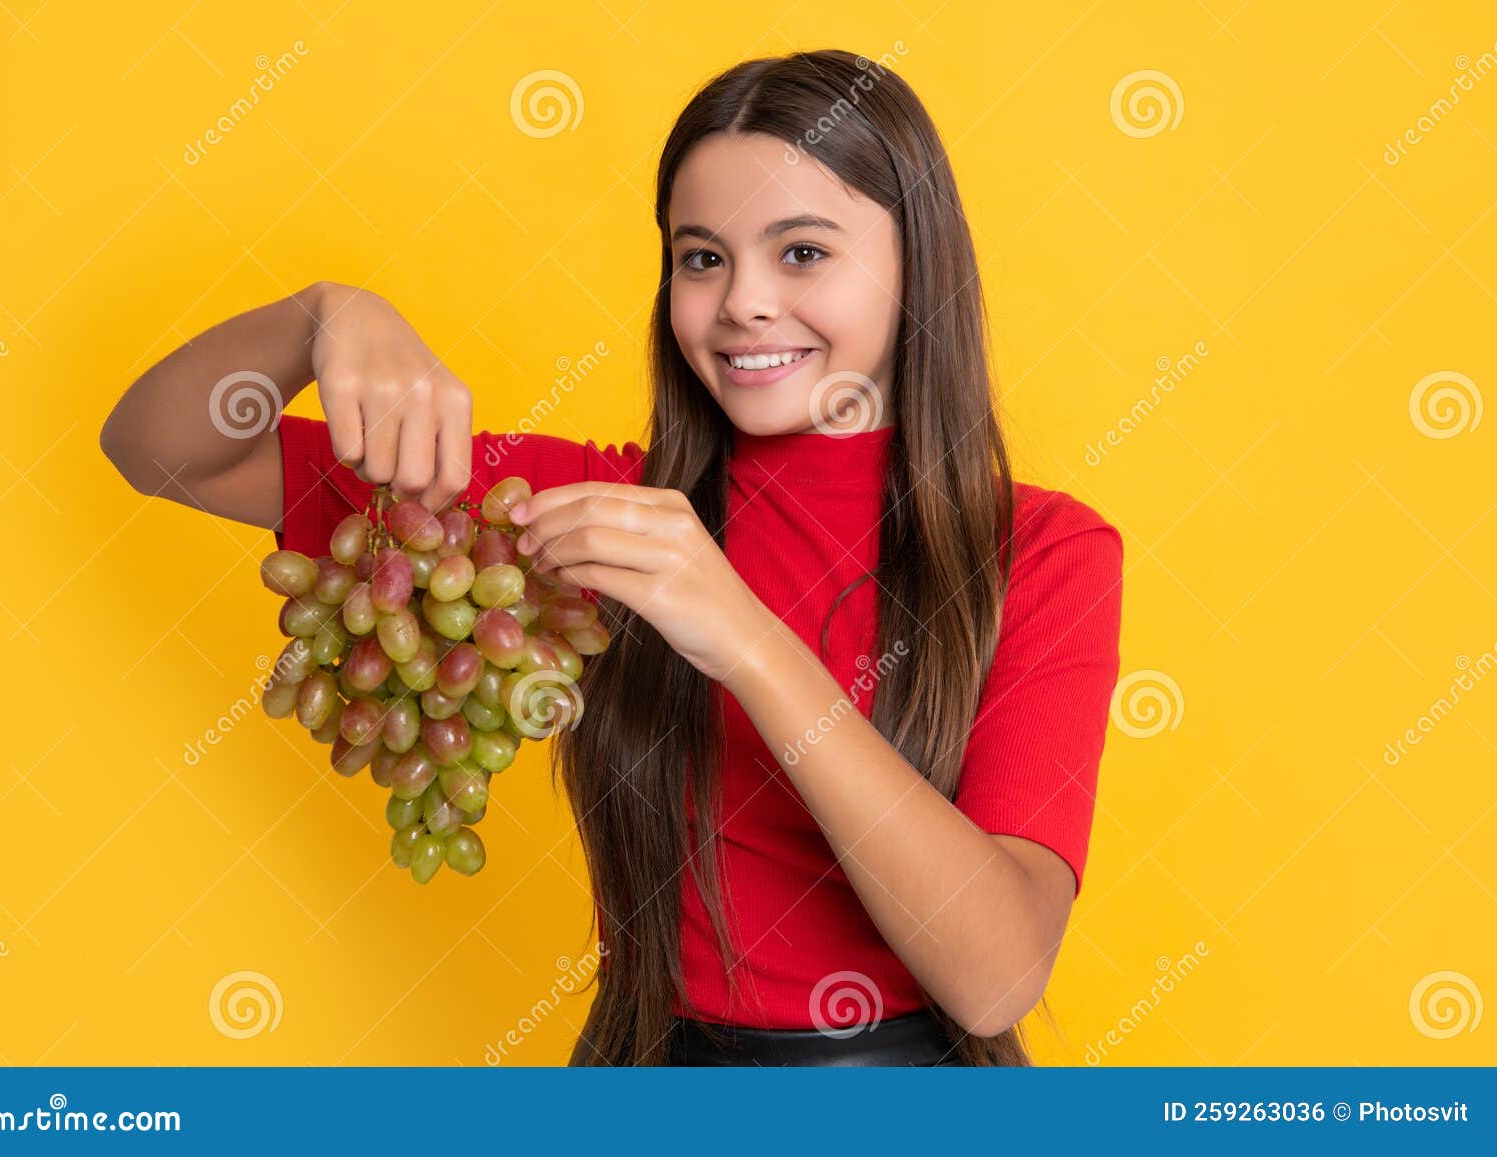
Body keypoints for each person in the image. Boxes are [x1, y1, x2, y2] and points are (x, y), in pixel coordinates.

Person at [100, 48, 1124, 1067]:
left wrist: (741, 637)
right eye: (701, 256)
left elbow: (994, 974)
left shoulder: (1038, 550)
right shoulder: (599, 514)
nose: (743, 304)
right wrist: (318, 318)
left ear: (919, 265)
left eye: (803, 252)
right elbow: (159, 447)